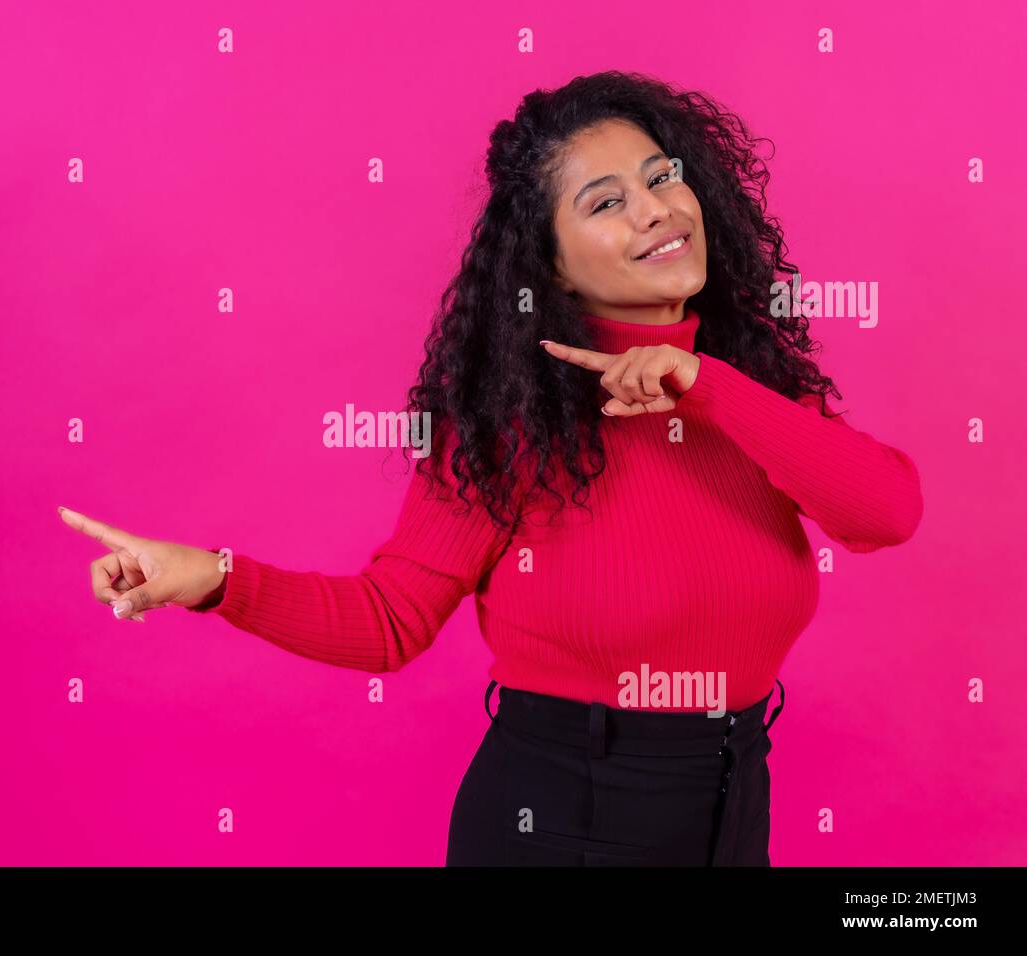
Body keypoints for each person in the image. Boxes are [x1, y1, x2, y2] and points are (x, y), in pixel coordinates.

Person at [57, 71, 923, 866]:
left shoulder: (754, 392)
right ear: (550, 264)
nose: (657, 210)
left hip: (736, 805)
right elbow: (389, 622)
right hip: (566, 818)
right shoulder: (512, 426)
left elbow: (885, 513)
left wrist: (704, 384)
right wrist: (210, 578)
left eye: (663, 178)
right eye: (606, 202)